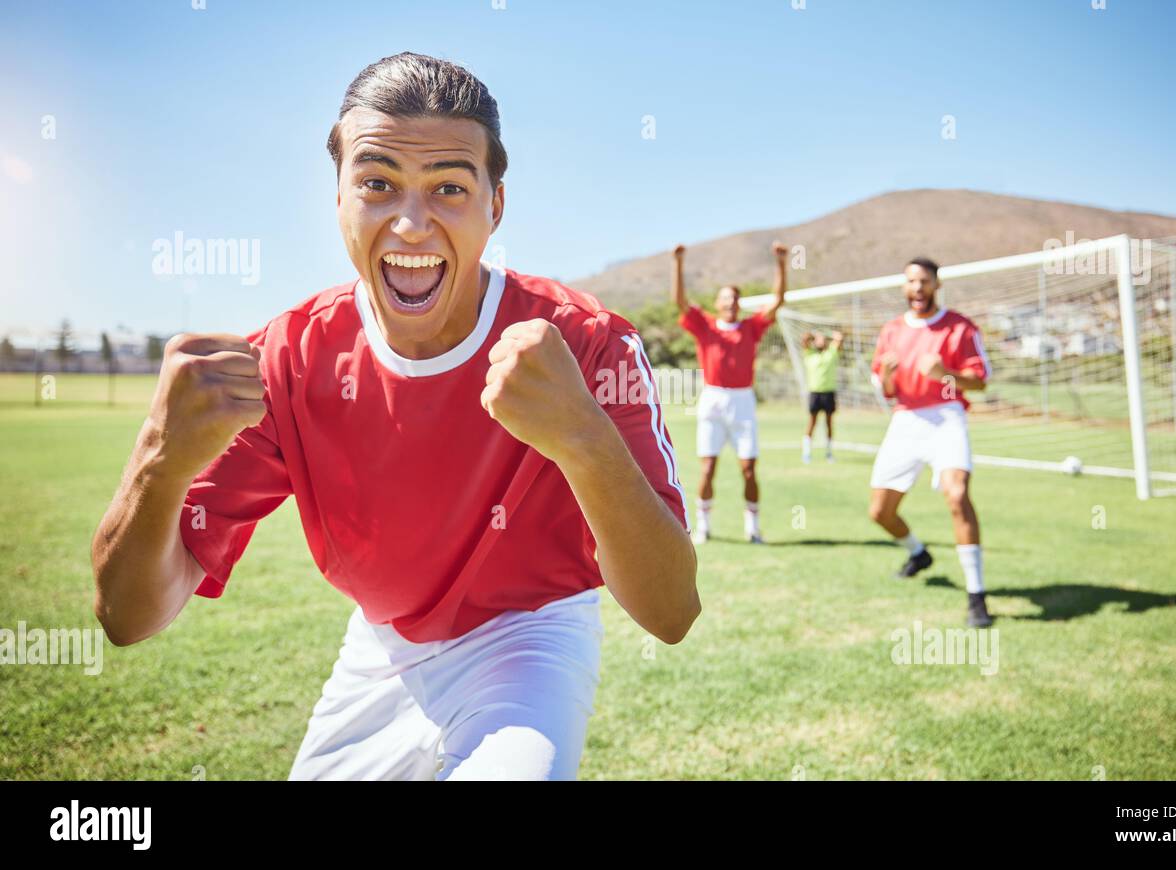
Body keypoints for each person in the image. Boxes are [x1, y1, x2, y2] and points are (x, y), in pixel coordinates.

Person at [90, 53, 699, 780]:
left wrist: (581, 437)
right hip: (380, 647)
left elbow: (671, 611)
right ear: (339, 198)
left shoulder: (586, 340)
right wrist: (159, 460)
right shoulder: (288, 357)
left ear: (494, 207)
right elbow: (129, 618)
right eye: (377, 184)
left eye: (448, 188)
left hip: (529, 640)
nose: (412, 224)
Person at [868, 257, 993, 627]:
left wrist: (946, 375)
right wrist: (888, 378)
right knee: (880, 512)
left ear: (937, 285)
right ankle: (918, 554)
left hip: (947, 416)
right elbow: (887, 390)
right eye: (910, 281)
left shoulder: (960, 328)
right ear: (904, 288)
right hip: (905, 418)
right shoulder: (890, 330)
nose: (917, 288)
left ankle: (977, 596)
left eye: (924, 281)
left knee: (956, 495)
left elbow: (980, 381)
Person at [672, 242, 788, 544]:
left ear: (740, 303)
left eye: (735, 298)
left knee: (749, 469)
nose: (731, 303)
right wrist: (679, 264)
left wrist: (781, 264)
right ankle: (703, 526)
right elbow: (681, 301)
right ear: (717, 303)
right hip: (713, 399)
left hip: (742, 401)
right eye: (726, 298)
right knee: (708, 468)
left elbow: (778, 300)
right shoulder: (705, 326)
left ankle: (753, 528)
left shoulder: (751, 327)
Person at [801, 330, 844, 462]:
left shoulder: (831, 353)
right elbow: (804, 339)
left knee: (829, 423)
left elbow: (839, 339)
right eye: (818, 340)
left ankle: (829, 453)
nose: (821, 341)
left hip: (828, 393)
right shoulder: (809, 354)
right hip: (815, 393)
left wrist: (828, 335)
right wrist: (815, 335)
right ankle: (807, 453)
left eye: (823, 339)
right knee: (812, 422)